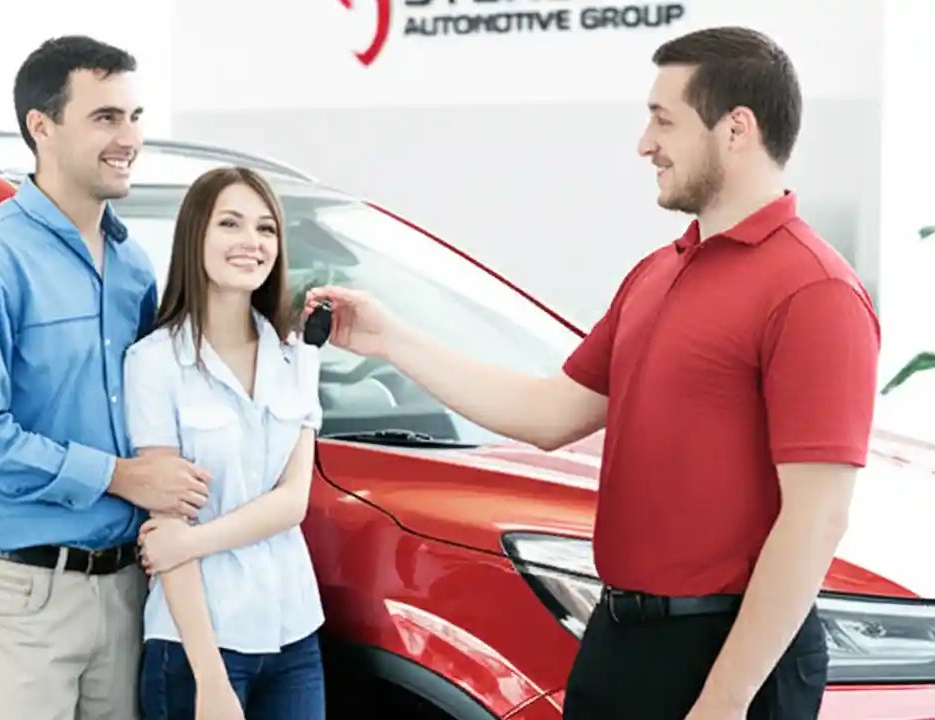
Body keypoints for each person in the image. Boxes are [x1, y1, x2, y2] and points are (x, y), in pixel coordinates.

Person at [304, 26, 880, 720]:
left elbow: (816, 519)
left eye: (663, 119)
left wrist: (726, 699)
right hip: (620, 641)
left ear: (737, 129)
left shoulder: (813, 291)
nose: (645, 144)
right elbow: (550, 414)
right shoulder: (657, 273)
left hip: (731, 659)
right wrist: (392, 340)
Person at [0, 36, 212, 719]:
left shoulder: (134, 265)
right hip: (23, 595)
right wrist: (119, 476)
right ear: (41, 126)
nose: (130, 138)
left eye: (136, 117)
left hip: (123, 589)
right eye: (106, 117)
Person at [123, 166, 326, 720]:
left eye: (266, 229)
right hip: (197, 643)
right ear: (197, 236)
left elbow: (293, 503)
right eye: (230, 224)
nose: (251, 243)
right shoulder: (154, 363)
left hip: (293, 633)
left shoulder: (295, 357)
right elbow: (166, 527)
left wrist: (192, 541)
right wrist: (210, 679)